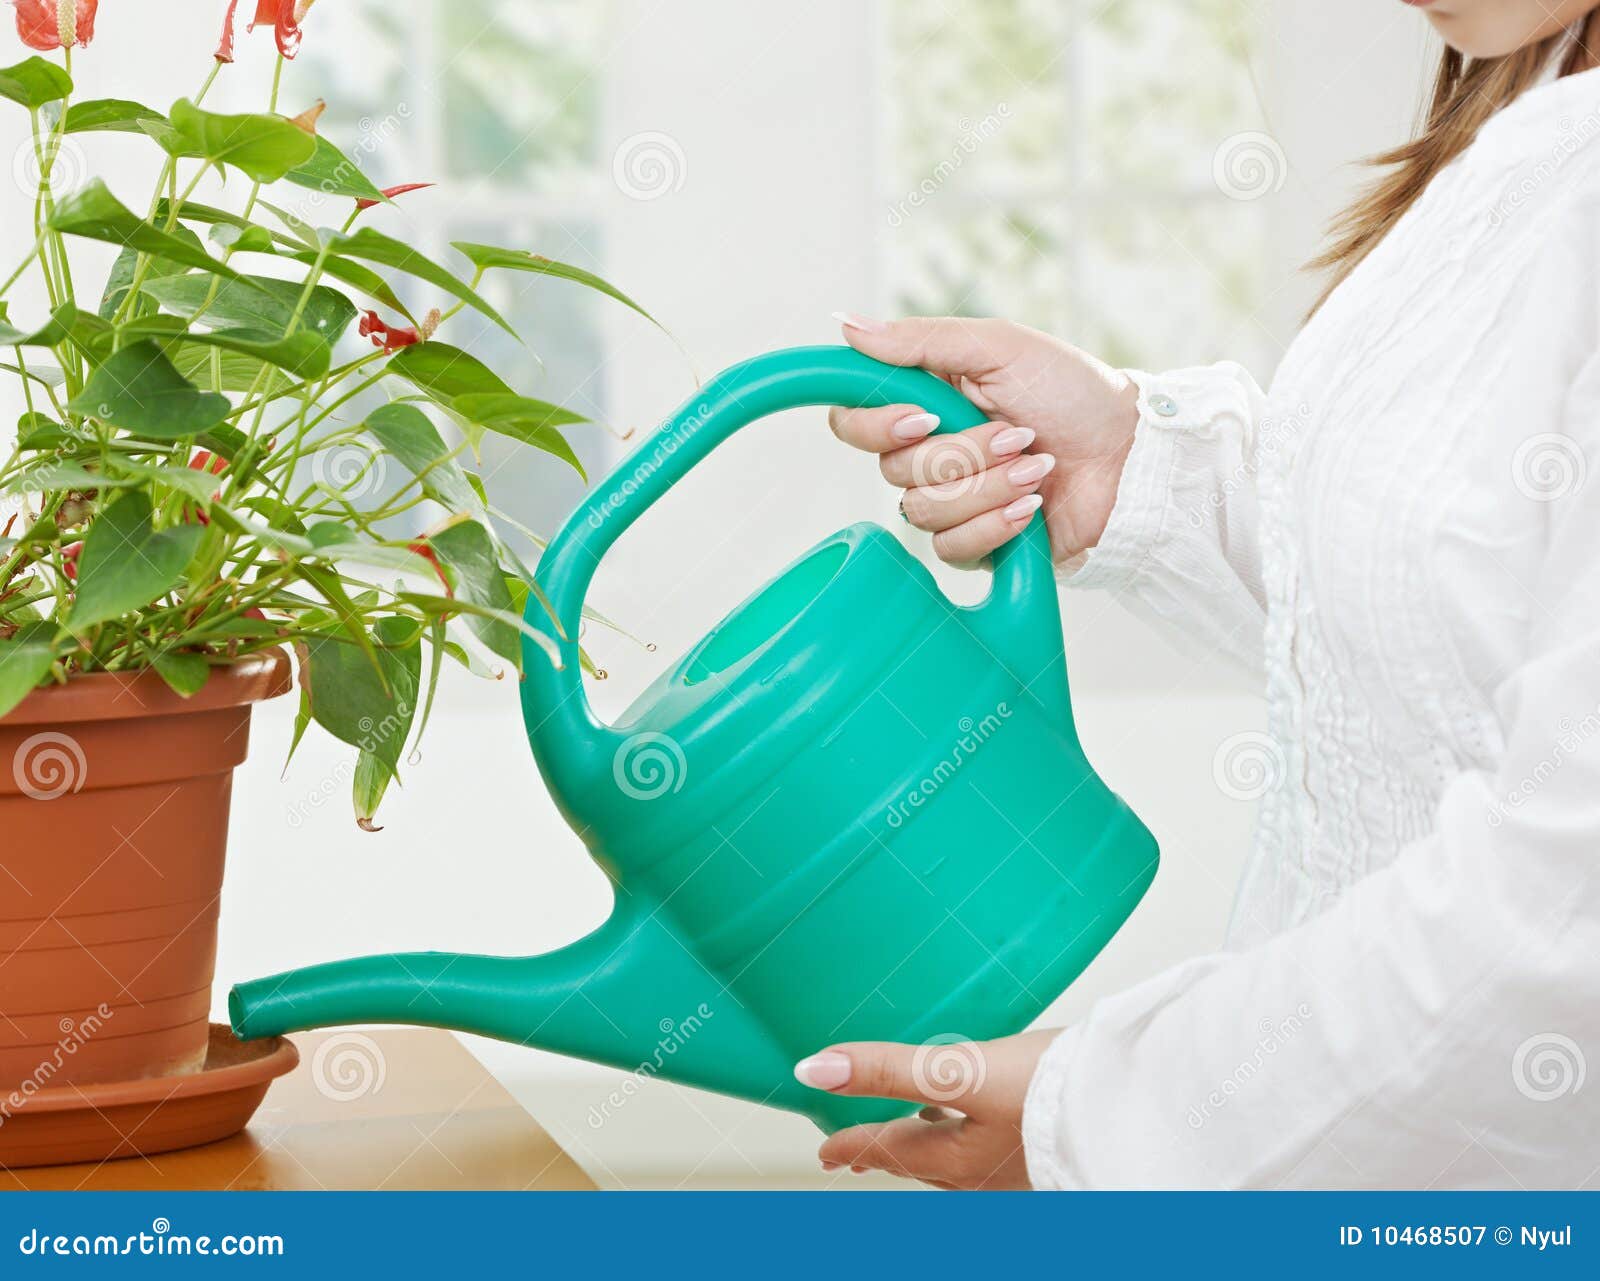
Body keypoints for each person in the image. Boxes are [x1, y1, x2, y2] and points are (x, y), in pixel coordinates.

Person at [793, 0, 1600, 1189]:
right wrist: (1128, 467)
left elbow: (1564, 915)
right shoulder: (1538, 125)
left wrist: (1106, 1111)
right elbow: (1473, 603)